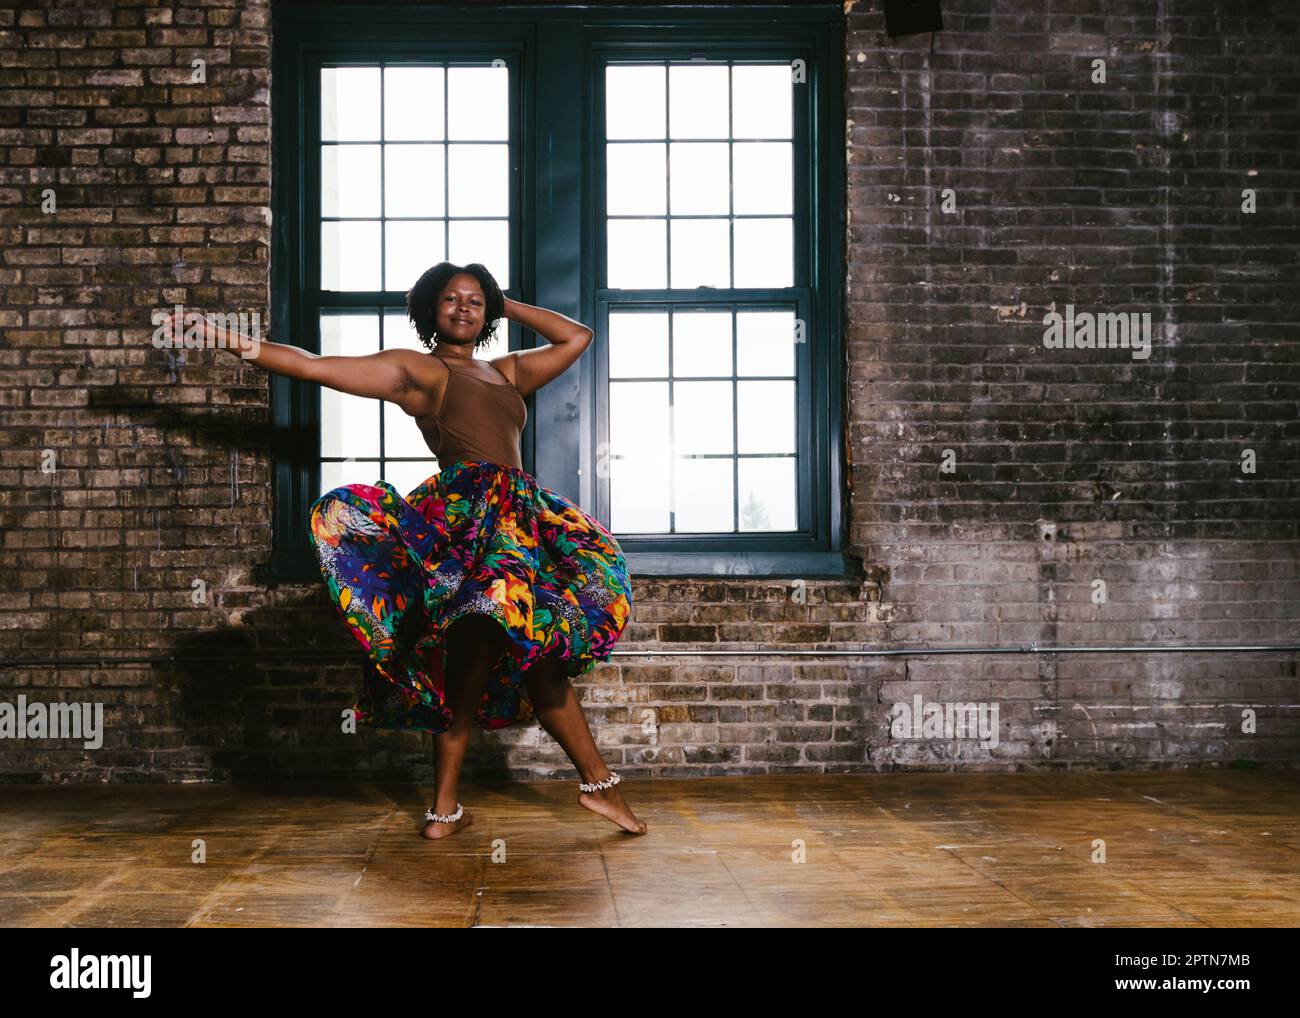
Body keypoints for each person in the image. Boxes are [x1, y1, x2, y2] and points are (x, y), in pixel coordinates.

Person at [157, 262, 645, 839]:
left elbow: (577, 337)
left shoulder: (508, 372)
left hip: (521, 522)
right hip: (469, 526)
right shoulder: (421, 371)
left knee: (513, 656)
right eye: (451, 300)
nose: (464, 308)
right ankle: (527, 795)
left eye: (474, 301)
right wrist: (217, 335)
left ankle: (497, 802)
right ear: (429, 309)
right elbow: (312, 366)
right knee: (479, 659)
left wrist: (502, 301)